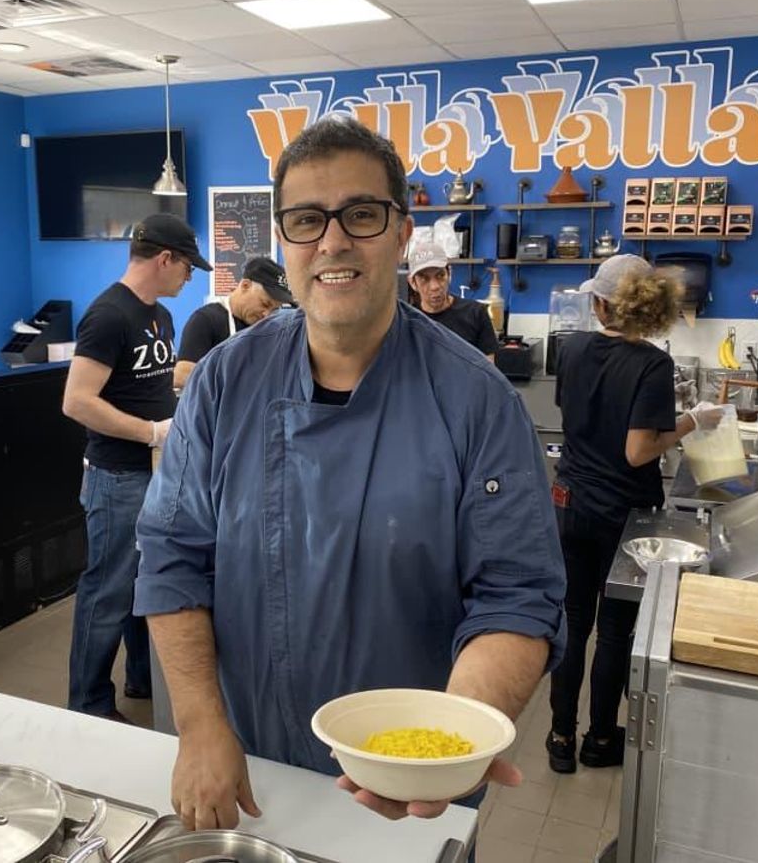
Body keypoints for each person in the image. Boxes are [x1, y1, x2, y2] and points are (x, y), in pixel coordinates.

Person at [135, 116, 566, 831]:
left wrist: (453, 741)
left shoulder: (475, 400)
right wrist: (199, 724)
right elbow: (172, 557)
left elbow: (516, 595)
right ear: (283, 241)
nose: (332, 241)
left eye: (361, 215)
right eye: (307, 219)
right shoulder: (224, 383)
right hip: (251, 767)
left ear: (401, 233)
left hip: (413, 797)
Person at [547, 254, 721, 774]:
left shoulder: (572, 349)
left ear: (601, 304)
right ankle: (601, 739)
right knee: (615, 630)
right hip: (623, 514)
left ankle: (559, 737)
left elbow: (578, 417)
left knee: (573, 623)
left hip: (570, 502)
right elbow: (639, 451)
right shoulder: (652, 363)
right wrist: (693, 420)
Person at [62, 212, 210, 719]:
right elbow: (77, 401)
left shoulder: (160, 316)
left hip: (156, 471)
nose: (190, 277)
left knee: (147, 581)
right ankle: (88, 704)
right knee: (107, 592)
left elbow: (149, 386)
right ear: (165, 258)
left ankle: (142, 681)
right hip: (116, 477)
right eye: (188, 266)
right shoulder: (109, 315)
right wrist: (151, 432)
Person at [173, 256, 293, 390]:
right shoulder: (206, 319)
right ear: (245, 286)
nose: (267, 314)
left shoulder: (268, 328)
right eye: (264, 304)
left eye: (274, 309)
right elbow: (181, 375)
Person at [407, 243, 499, 361]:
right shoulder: (407, 322)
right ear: (412, 283)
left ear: (449, 274)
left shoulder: (476, 314)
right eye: (424, 279)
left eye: (440, 275)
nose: (434, 286)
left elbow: (489, 372)